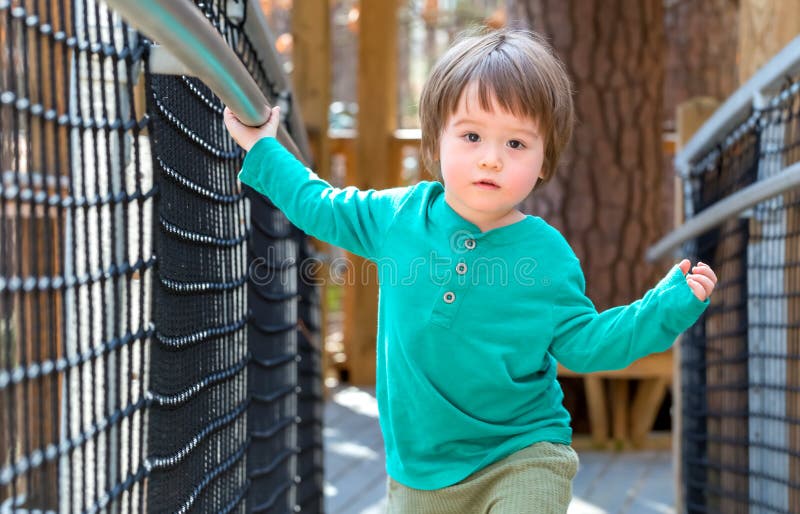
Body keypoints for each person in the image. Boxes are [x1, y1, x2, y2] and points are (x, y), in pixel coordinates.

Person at [224, 27, 717, 514]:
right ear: (436, 141)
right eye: (473, 135)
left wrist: (668, 307)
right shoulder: (397, 217)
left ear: (545, 160)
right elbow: (319, 204)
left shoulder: (547, 256)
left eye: (517, 145)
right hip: (420, 473)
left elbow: (587, 344)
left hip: (521, 452)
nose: (491, 159)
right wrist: (264, 147)